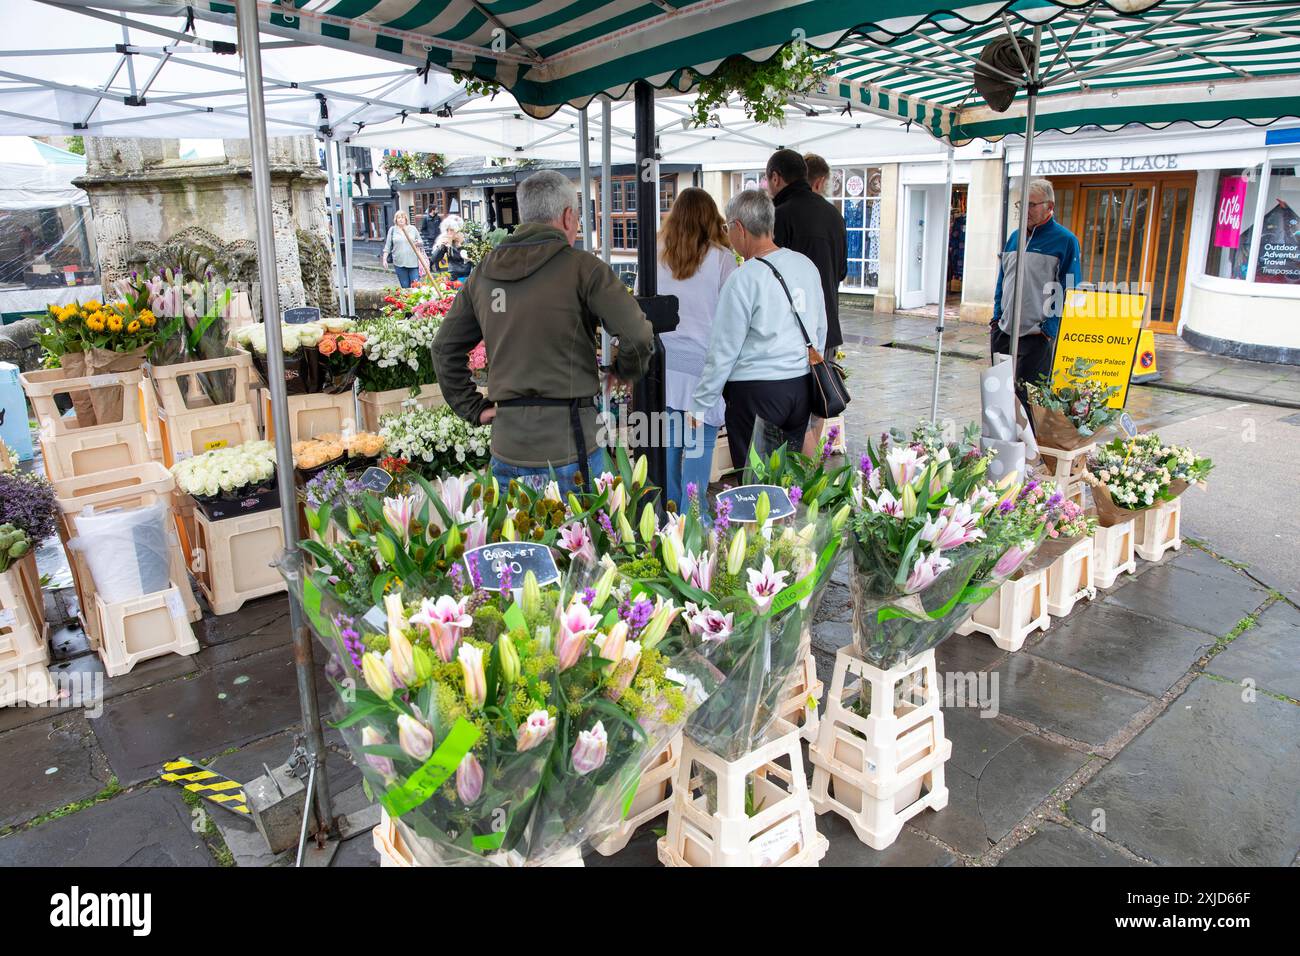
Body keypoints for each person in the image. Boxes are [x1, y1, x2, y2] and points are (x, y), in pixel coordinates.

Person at [432, 169, 654, 491]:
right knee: (581, 541)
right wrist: (622, 370)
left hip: (507, 447)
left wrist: (473, 407)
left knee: (518, 540)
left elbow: (443, 348)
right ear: (567, 217)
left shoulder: (483, 274)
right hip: (571, 446)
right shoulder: (584, 269)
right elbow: (638, 336)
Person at [692, 189, 827, 469]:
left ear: (739, 228)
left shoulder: (743, 278)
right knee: (790, 480)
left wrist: (701, 404)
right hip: (800, 386)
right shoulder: (806, 266)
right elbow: (819, 331)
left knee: (756, 485)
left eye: (728, 227)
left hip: (756, 392)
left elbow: (723, 350)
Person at [656, 187, 737, 514]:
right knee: (698, 448)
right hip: (705, 366)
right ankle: (693, 519)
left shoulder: (657, 252)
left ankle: (670, 513)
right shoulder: (721, 259)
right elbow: (733, 317)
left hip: (666, 364)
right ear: (710, 218)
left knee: (670, 446)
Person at [766, 148, 847, 455]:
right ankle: (808, 480)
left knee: (784, 415)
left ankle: (786, 483)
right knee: (817, 405)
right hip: (825, 328)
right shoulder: (833, 215)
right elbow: (841, 273)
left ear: (776, 178)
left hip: (786, 332)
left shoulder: (778, 215)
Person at [991, 178, 1081, 406]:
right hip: (1004, 331)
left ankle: (1028, 442)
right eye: (1022, 204)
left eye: (1032, 205)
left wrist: (1048, 330)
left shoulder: (1066, 241)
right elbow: (1003, 280)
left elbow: (1068, 288)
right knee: (999, 396)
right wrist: (996, 317)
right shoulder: (1014, 237)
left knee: (1028, 401)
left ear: (1049, 207)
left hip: (1035, 336)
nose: (1025, 210)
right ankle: (1001, 442)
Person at [380, 212, 428, 288]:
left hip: (413, 263)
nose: (401, 219)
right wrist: (384, 259)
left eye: (402, 217)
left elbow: (421, 242)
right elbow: (387, 246)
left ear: (406, 219)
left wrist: (418, 243)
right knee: (405, 287)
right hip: (399, 263)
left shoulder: (412, 229)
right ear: (396, 220)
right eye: (398, 218)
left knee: (416, 286)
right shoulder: (392, 230)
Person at [431, 216, 472, 281]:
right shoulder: (447, 243)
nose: (449, 233)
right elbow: (434, 259)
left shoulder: (468, 241)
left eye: (451, 230)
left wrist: (458, 247)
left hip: (468, 276)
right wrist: (441, 246)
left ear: (458, 230)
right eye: (447, 230)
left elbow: (471, 259)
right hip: (452, 276)